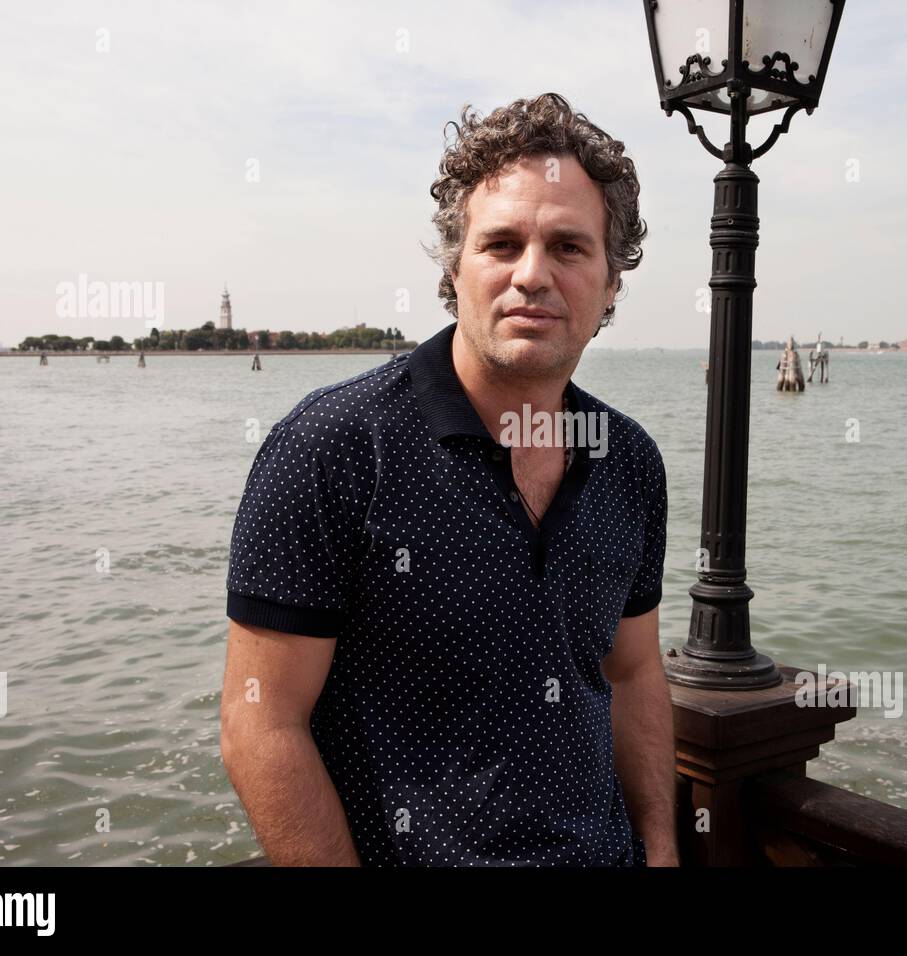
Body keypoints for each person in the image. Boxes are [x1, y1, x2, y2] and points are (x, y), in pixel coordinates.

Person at [219, 92, 675, 866]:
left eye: (569, 247)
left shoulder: (630, 462)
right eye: (501, 245)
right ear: (454, 269)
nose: (532, 275)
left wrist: (661, 849)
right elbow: (260, 725)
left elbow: (633, 673)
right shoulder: (331, 448)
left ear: (610, 285)